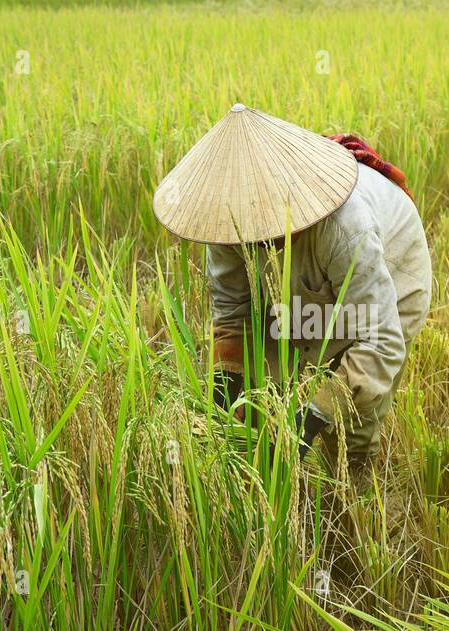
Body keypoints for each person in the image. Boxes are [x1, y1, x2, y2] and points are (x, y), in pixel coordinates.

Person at [153, 104, 432, 480]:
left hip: (390, 276)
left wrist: (307, 424)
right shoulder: (227, 220)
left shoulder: (345, 226)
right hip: (301, 293)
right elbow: (234, 317)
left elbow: (380, 341)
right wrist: (224, 405)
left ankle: (352, 499)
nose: (250, 238)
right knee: (257, 402)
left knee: (352, 425)